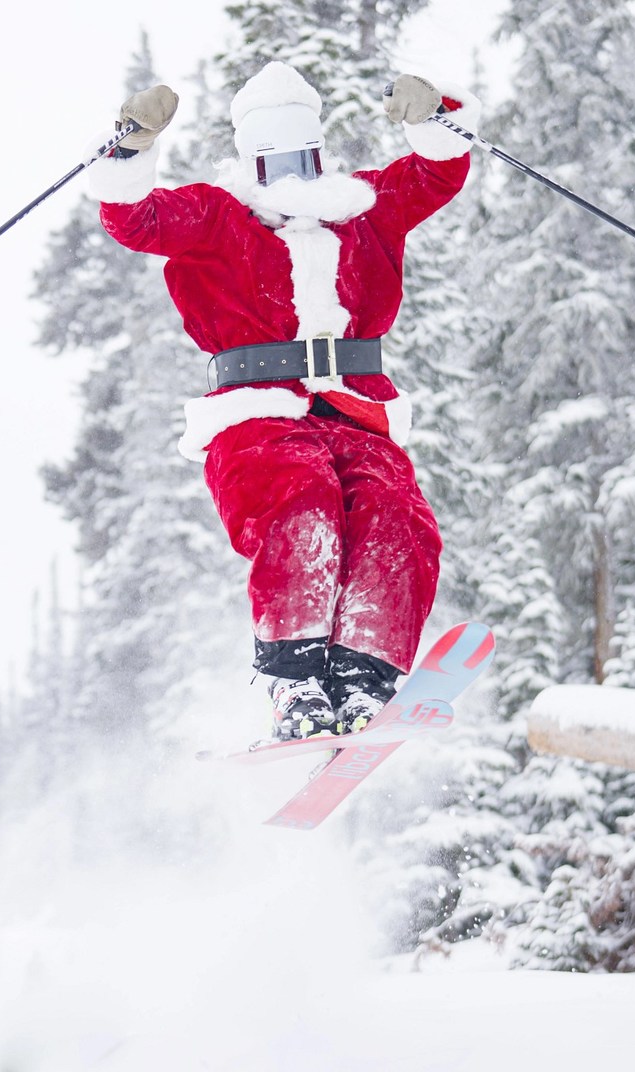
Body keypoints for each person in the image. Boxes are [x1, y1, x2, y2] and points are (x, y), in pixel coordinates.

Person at [87, 62, 480, 741]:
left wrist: (431, 112)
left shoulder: (361, 207)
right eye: (274, 164)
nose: (291, 180)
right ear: (251, 160)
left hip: (355, 408)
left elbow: (439, 172)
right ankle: (296, 679)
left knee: (394, 513)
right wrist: (132, 147)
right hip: (256, 414)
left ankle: (363, 676)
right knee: (300, 500)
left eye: (302, 160)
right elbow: (135, 218)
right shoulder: (217, 215)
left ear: (319, 152)